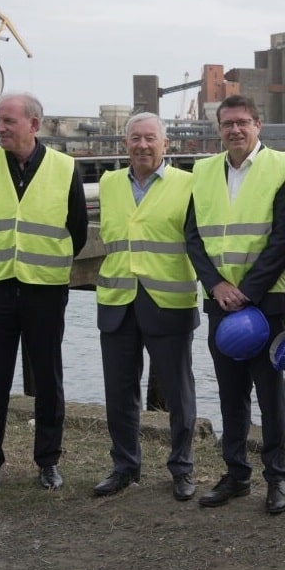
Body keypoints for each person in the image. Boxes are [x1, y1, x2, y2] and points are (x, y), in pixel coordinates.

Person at [0, 92, 87, 500]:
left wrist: (44, 262)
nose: (0, 128)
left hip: (45, 289)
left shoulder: (65, 169)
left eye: (8, 121)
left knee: (48, 379)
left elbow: (78, 231)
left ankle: (48, 461)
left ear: (34, 125)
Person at [186, 95, 285, 512]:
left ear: (259, 124)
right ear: (218, 129)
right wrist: (216, 285)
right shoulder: (200, 172)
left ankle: (277, 478)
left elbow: (284, 238)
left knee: (271, 396)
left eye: (242, 122)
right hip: (221, 302)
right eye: (227, 123)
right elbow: (193, 237)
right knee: (231, 395)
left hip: (266, 301)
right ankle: (236, 474)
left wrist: (247, 290)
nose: (235, 130)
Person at [92, 113, 200, 502]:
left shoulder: (189, 185)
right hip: (117, 300)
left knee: (178, 392)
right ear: (125, 144)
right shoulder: (107, 184)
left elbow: (199, 245)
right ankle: (124, 466)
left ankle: (182, 469)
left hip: (168, 301)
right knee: (119, 392)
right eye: (135, 138)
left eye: (149, 138)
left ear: (165, 143)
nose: (142, 145)